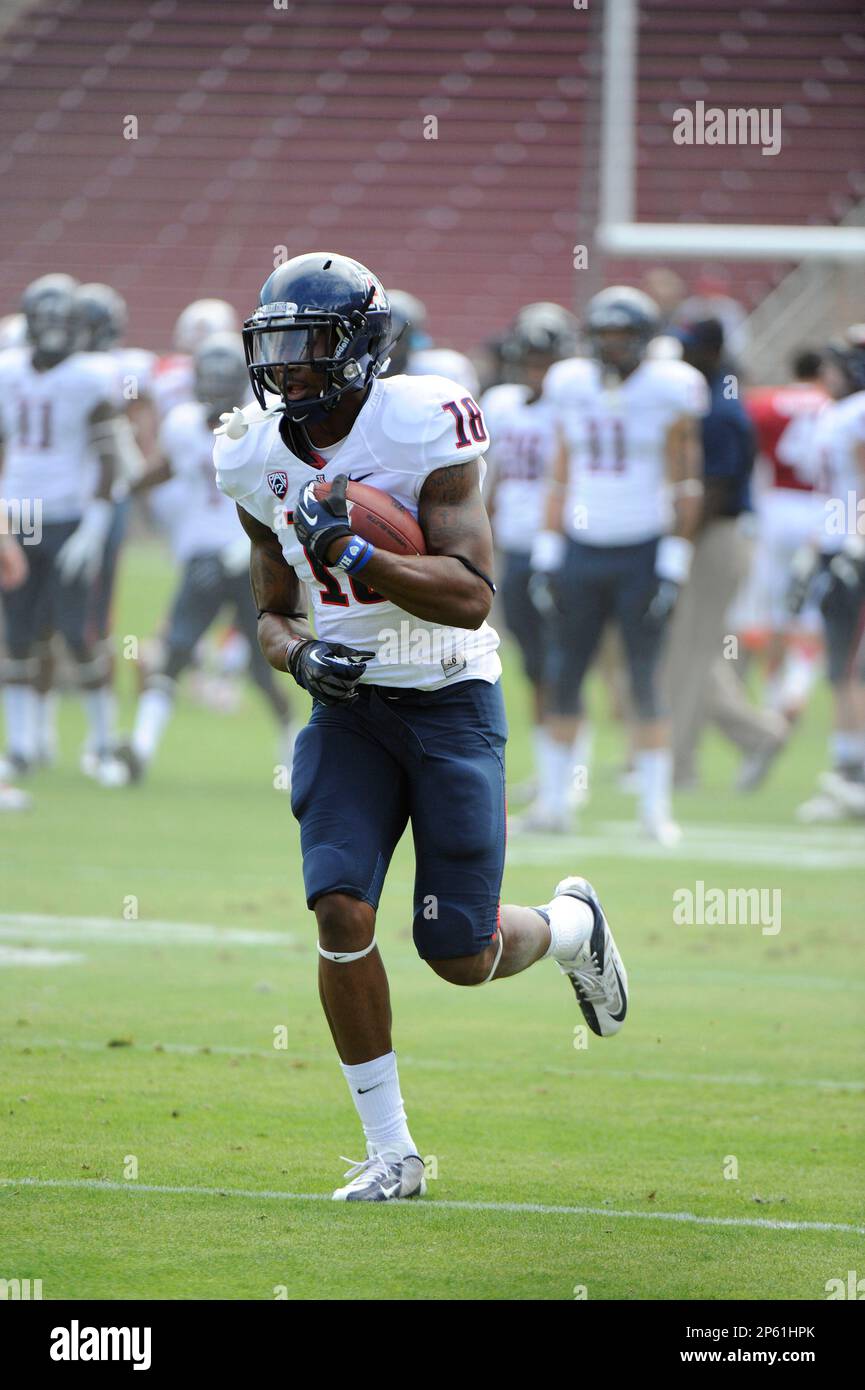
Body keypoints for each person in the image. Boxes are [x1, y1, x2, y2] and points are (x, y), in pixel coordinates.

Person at [214, 251, 628, 1201]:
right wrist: (299, 657)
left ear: (361, 348)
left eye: (310, 348)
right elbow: (274, 611)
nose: (288, 371)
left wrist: (360, 550)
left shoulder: (423, 421)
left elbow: (473, 595)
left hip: (447, 696)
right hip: (350, 708)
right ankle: (392, 1150)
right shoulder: (247, 453)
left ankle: (570, 928)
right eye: (275, 349)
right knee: (339, 908)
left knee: (458, 952)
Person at [530, 286, 707, 844]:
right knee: (565, 673)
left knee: (644, 675)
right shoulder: (570, 383)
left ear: (645, 341)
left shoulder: (670, 388)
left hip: (642, 548)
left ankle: (655, 808)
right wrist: (547, 550)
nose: (611, 347)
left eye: (622, 337)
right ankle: (556, 802)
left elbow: (685, 480)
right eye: (603, 336)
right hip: (582, 546)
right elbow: (559, 469)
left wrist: (675, 563)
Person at [106, 334, 297, 785]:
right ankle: (141, 750)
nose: (212, 393)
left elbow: (282, 485)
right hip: (202, 558)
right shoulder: (183, 423)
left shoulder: (263, 422)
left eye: (220, 383)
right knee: (173, 651)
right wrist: (125, 487)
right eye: (207, 383)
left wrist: (263, 543)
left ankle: (292, 744)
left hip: (252, 557)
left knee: (261, 665)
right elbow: (170, 465)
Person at [0, 273, 124, 780]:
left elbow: (111, 458)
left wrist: (95, 527)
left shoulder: (90, 377)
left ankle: (103, 746)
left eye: (61, 323)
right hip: (20, 514)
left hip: (71, 515)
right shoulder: (8, 370)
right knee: (18, 635)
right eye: (46, 322)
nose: (53, 333)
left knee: (77, 633)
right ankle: (22, 747)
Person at [664, 317, 789, 791]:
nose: (681, 355)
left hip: (713, 537)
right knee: (687, 653)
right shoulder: (715, 397)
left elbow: (713, 490)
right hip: (711, 535)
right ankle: (759, 735)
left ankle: (681, 765)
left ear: (712, 350)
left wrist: (678, 543)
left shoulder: (721, 408)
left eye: (690, 348)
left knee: (690, 653)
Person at [481, 303, 587, 816]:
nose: (536, 370)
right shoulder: (502, 403)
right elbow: (492, 474)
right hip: (514, 546)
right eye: (530, 359)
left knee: (561, 662)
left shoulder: (575, 404)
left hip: (561, 546)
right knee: (533, 665)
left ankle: (568, 780)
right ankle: (554, 777)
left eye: (546, 360)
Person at [793, 334, 865, 822]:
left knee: (851, 668)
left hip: (853, 550)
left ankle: (853, 775)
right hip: (836, 545)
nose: (831, 373)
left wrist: (855, 542)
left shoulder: (856, 410)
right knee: (840, 666)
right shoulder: (834, 411)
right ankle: (847, 771)